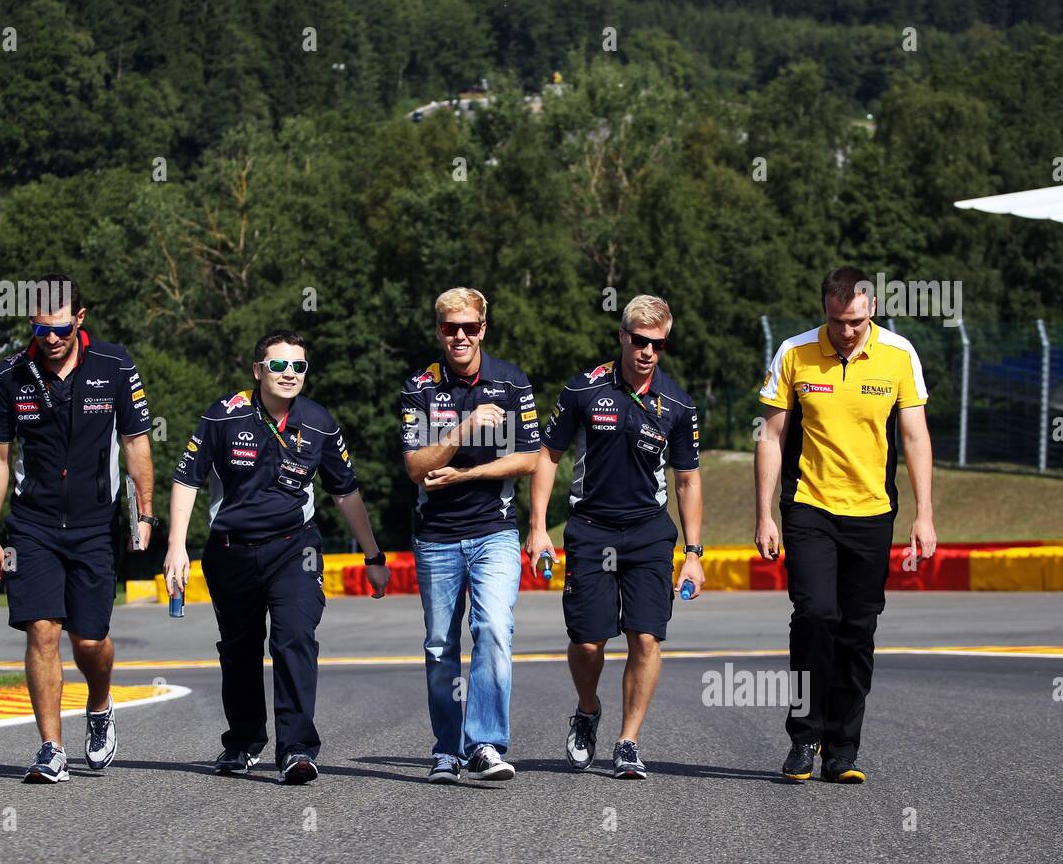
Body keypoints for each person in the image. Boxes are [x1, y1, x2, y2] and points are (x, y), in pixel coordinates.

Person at [163, 330, 390, 784]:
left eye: (299, 366)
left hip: (295, 549)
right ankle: (244, 742)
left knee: (293, 638)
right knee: (239, 649)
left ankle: (298, 749)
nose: (289, 374)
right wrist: (176, 548)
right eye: (279, 365)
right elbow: (187, 478)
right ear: (258, 370)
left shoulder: (320, 422)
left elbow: (346, 493)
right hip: (230, 552)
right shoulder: (223, 416)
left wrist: (372, 556)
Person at [756, 266, 937, 784]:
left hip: (873, 511)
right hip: (809, 504)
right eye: (837, 322)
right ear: (825, 313)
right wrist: (764, 513)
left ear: (872, 309)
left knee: (857, 630)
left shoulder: (900, 355)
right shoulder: (794, 353)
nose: (847, 331)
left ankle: (842, 748)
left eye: (855, 321)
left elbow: (917, 437)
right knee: (815, 615)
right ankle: (803, 737)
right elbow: (770, 436)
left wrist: (924, 515)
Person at [0, 274, 155, 783]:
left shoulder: (114, 365)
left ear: (79, 319)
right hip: (32, 523)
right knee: (41, 630)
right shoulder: (11, 373)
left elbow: (136, 442)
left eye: (58, 328)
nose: (50, 338)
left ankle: (99, 707)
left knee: (89, 641)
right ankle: (50, 748)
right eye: (40, 329)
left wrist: (143, 513)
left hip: (94, 522)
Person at [528, 294, 704, 780]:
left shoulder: (678, 403)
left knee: (644, 637)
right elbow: (548, 456)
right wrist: (539, 528)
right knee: (588, 641)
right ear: (623, 336)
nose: (648, 351)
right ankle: (587, 711)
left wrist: (693, 552)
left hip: (649, 533)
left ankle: (628, 740)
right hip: (590, 531)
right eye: (640, 340)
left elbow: (687, 479)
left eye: (659, 344)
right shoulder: (583, 390)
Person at [400, 287, 540, 783]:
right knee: (440, 645)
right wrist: (462, 429)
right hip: (436, 535)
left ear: (484, 326)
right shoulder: (419, 385)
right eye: (449, 328)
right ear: (438, 330)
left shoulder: (510, 381)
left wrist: (468, 475)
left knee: (494, 631)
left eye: (469, 327)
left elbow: (531, 457)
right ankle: (445, 749)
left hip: (494, 530)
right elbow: (416, 466)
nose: (460, 336)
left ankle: (484, 744)